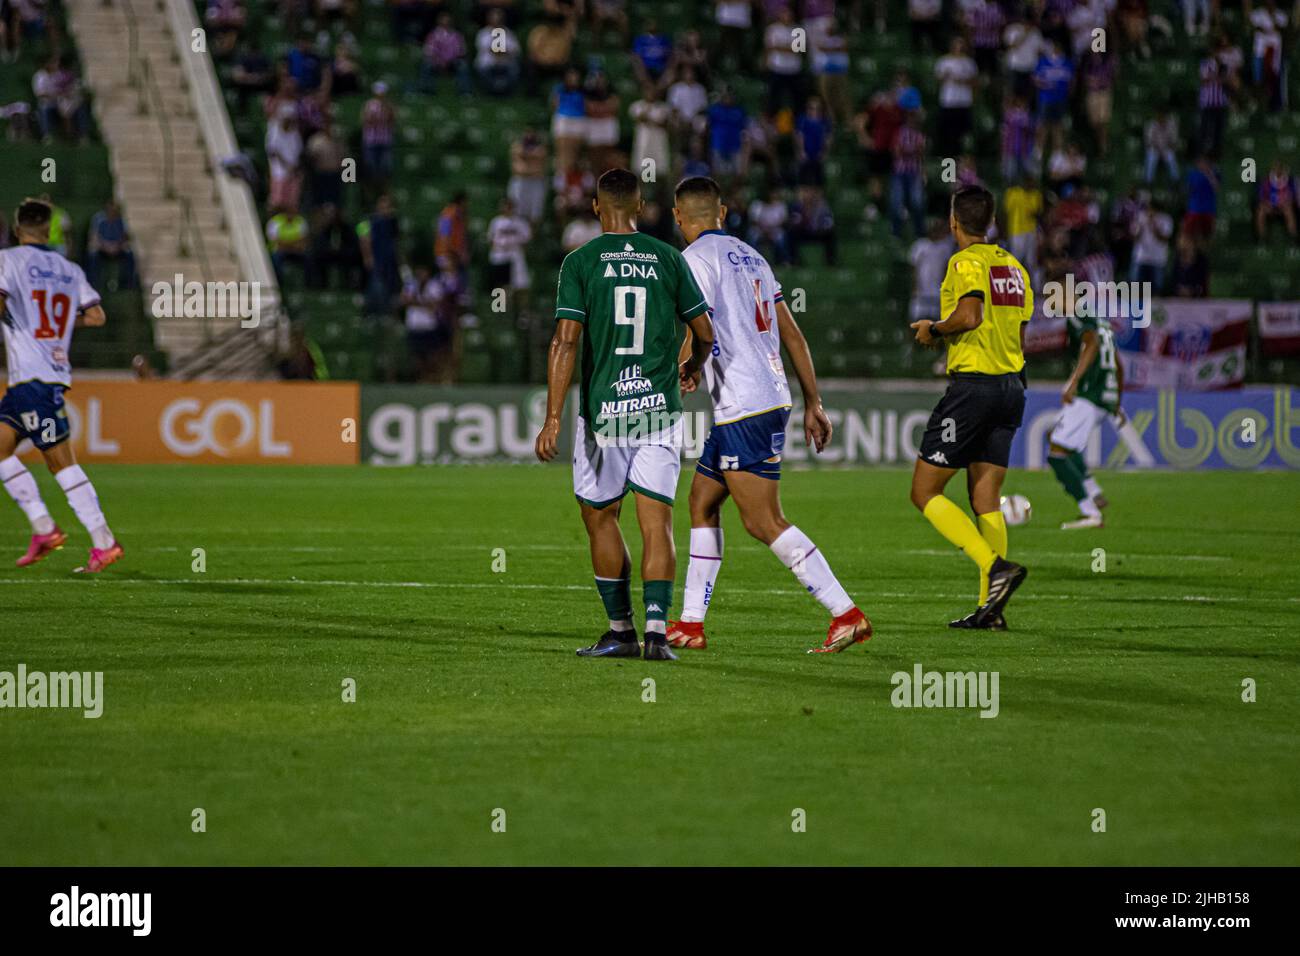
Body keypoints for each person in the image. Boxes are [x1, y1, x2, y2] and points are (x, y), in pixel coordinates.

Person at [665, 176, 872, 654]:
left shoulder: (693, 261)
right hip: (763, 396)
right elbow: (793, 334)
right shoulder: (752, 257)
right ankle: (692, 623)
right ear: (722, 212)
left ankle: (847, 613)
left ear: (679, 217)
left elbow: (703, 328)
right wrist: (813, 402)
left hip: (745, 405)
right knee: (701, 501)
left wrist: (690, 366)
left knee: (762, 521)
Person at [534, 168, 714, 661]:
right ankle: (658, 634)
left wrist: (553, 418)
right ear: (640, 208)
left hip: (603, 415)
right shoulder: (669, 258)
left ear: (596, 207)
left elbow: (564, 341)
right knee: (658, 523)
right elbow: (704, 333)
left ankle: (620, 632)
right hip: (658, 411)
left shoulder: (580, 262)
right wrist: (692, 367)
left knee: (601, 517)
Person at [908, 186, 1033, 629]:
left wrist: (933, 330)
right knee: (985, 498)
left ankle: (996, 567)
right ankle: (990, 608)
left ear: (954, 222)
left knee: (924, 491)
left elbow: (970, 314)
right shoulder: (1015, 269)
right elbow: (1018, 337)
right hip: (1011, 386)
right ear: (993, 220)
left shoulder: (965, 262)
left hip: (974, 387)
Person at [0, 198, 123, 573]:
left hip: (33, 379)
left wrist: (16, 320)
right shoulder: (68, 269)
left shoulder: (8, 260)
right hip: (43, 377)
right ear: (48, 229)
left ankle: (101, 541)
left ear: (19, 229)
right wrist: (61, 323)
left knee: (61, 464)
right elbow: (97, 315)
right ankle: (44, 529)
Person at [1048, 300, 1123, 530]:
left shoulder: (1078, 316)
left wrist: (1073, 382)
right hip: (1105, 397)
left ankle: (1090, 512)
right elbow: (1118, 363)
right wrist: (1117, 400)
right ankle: (1093, 490)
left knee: (1057, 453)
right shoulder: (1103, 322)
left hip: (1089, 394)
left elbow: (1091, 343)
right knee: (1063, 444)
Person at [86, 201, 137, 290]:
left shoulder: (121, 220)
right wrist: (106, 247)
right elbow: (94, 236)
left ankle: (127, 283)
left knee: (130, 254)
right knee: (92, 255)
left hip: (117, 247)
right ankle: (93, 283)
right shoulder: (98, 219)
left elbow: (126, 236)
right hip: (102, 248)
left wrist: (117, 246)